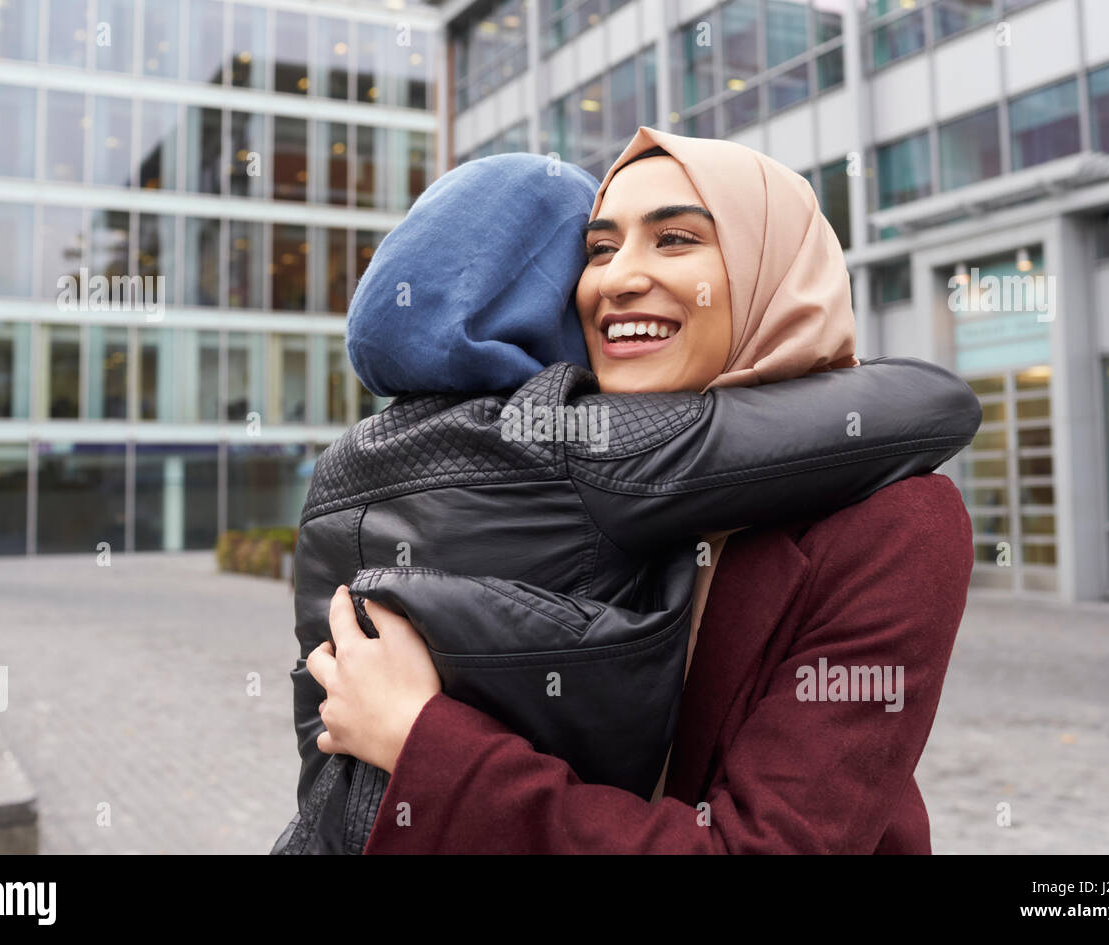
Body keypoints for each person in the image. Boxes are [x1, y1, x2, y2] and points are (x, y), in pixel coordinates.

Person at [294, 131, 980, 854]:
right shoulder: (573, 463)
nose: (617, 279)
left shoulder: (894, 521)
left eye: (675, 238)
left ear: (766, 267)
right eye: (597, 249)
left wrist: (419, 741)